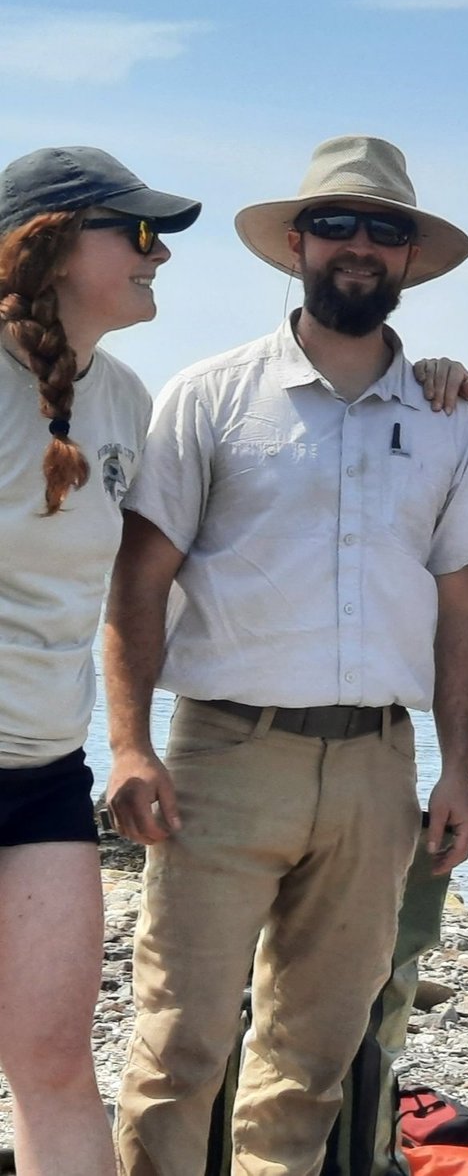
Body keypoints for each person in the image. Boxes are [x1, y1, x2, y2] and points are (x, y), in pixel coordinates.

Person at [104, 134, 468, 1175]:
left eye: (384, 229)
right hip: (221, 760)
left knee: (315, 1060)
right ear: (296, 243)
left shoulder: (449, 419)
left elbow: (462, 609)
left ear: (411, 256)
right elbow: (137, 585)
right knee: (177, 1046)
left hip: (378, 767)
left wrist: (458, 768)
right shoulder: (210, 395)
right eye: (336, 224)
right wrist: (131, 747)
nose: (358, 246)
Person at [0, 146, 199, 1176]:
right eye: (138, 232)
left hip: (40, 776)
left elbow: (148, 582)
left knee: (57, 1066)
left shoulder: (126, 401)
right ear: (54, 241)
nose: (157, 254)